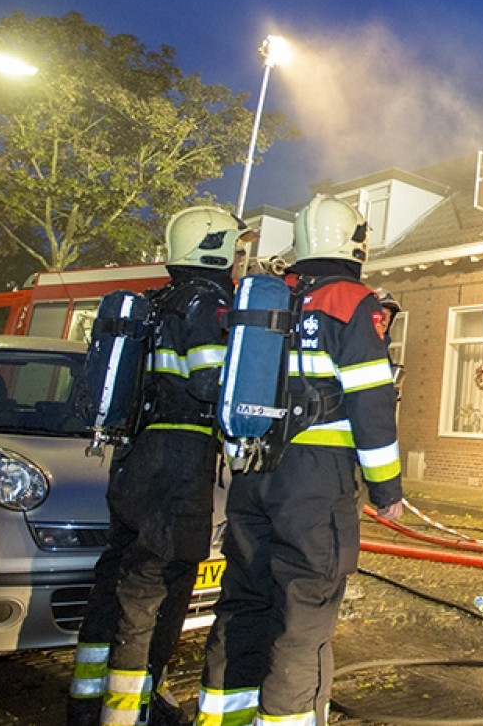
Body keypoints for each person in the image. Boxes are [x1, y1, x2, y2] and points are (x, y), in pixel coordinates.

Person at [196, 194, 404, 726]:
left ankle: (223, 717)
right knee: (303, 619)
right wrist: (386, 492)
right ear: (355, 243)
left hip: (253, 471)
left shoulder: (265, 296)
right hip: (314, 486)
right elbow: (372, 401)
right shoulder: (351, 302)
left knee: (243, 604)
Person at [69, 205, 246, 726]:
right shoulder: (206, 302)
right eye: (236, 249)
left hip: (133, 458)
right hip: (179, 462)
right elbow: (210, 382)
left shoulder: (153, 303)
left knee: (115, 579)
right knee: (157, 587)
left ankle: (85, 704)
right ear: (215, 249)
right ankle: (130, 714)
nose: (240, 259)